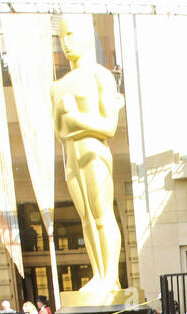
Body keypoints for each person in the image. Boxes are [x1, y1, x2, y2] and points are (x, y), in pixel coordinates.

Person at [52, 15, 123, 298]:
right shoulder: (58, 87)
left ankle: (110, 278)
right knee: (86, 218)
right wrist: (69, 119)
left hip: (93, 153)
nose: (67, 43)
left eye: (72, 35)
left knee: (102, 214)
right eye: (62, 37)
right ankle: (99, 274)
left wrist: (74, 117)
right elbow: (60, 130)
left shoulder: (99, 75)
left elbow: (108, 126)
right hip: (72, 155)